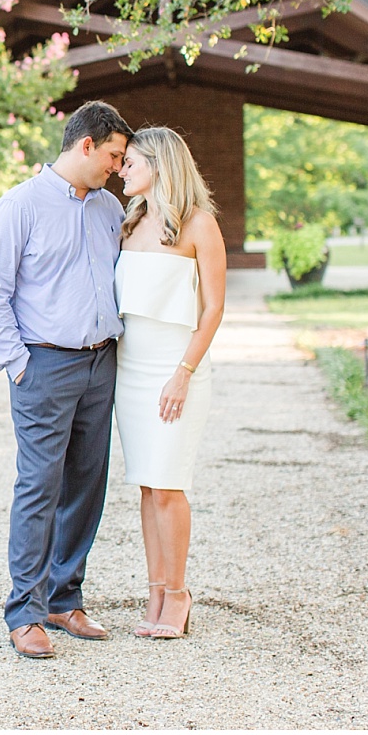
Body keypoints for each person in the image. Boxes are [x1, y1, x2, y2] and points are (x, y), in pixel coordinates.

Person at [0, 99, 133, 659]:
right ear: (86, 145)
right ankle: (26, 612)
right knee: (40, 486)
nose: (118, 166)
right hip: (43, 364)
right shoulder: (20, 205)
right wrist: (18, 365)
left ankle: (66, 599)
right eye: (114, 155)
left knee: (88, 485)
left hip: (100, 363)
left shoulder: (110, 209)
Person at [112, 126, 226, 640]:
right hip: (130, 368)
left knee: (168, 485)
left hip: (176, 368)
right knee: (146, 485)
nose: (122, 168)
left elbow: (215, 308)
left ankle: (177, 595)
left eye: (131, 161)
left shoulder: (200, 225)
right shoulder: (128, 223)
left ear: (160, 164)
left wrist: (183, 373)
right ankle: (154, 589)